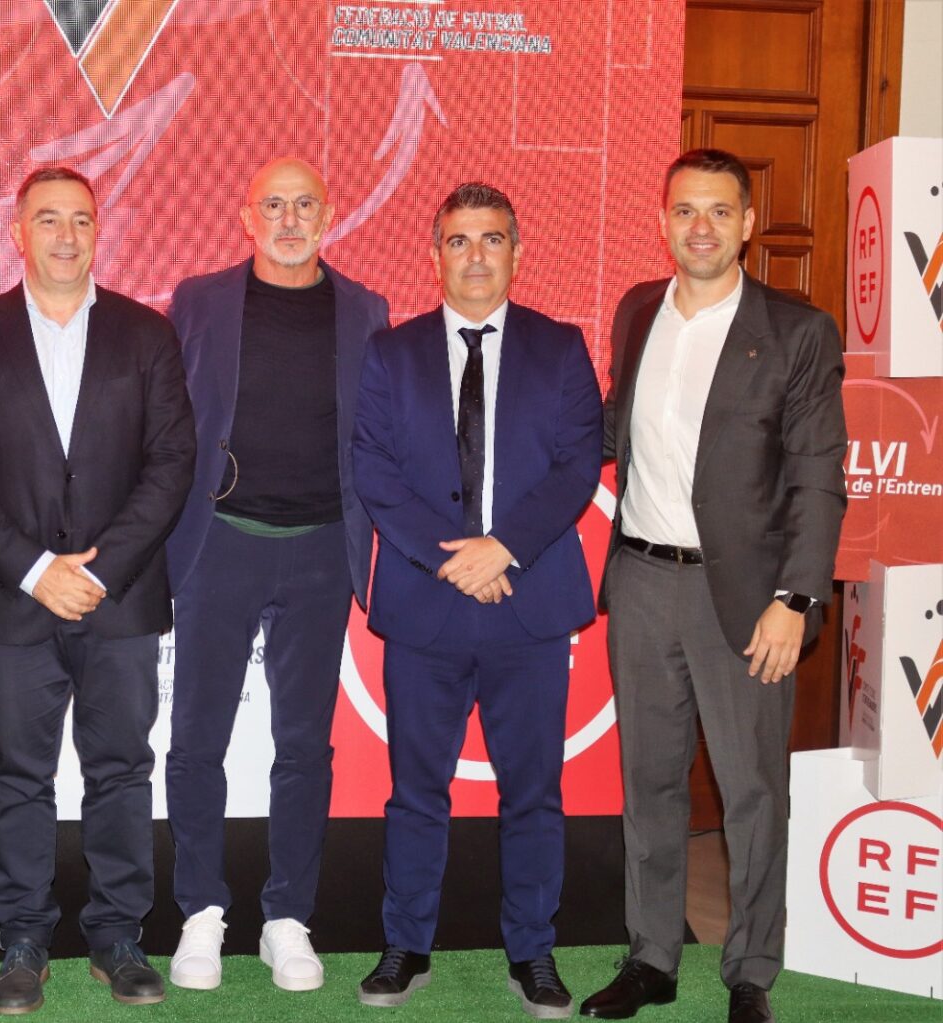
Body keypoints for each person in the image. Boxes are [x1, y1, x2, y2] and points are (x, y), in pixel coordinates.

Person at [579, 149, 846, 1023]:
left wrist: (796, 598)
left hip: (752, 600)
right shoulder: (637, 311)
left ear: (747, 223)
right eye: (686, 210)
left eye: (719, 212)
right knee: (649, 781)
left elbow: (817, 476)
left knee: (753, 790)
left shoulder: (798, 331)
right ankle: (653, 955)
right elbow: (611, 428)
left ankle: (750, 972)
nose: (701, 227)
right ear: (663, 220)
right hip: (644, 582)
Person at [0, 167, 195, 1014]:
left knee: (121, 770)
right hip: (14, 602)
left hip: (118, 601)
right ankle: (22, 939)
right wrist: (38, 570)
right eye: (48, 219)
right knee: (18, 773)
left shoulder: (146, 334)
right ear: (17, 231)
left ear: (96, 230)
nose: (66, 235)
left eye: (81, 219)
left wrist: (98, 567)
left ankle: (118, 936)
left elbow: (171, 463)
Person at [352, 182, 602, 1017]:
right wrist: (453, 559)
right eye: (458, 241)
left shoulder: (561, 348)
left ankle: (532, 951)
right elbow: (375, 471)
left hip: (527, 606)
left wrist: (505, 549)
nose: (476, 255)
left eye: (492, 239)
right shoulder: (391, 352)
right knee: (414, 790)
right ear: (436, 254)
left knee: (532, 790)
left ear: (517, 251)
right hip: (427, 607)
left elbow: (578, 463)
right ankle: (405, 945)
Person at [162, 156, 389, 992]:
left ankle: (288, 915)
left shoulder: (367, 309)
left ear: (329, 215)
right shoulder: (199, 300)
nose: (289, 219)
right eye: (273, 205)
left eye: (304, 205)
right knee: (196, 740)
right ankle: (200, 912)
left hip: (324, 550)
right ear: (245, 216)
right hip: (219, 543)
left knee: (303, 745)